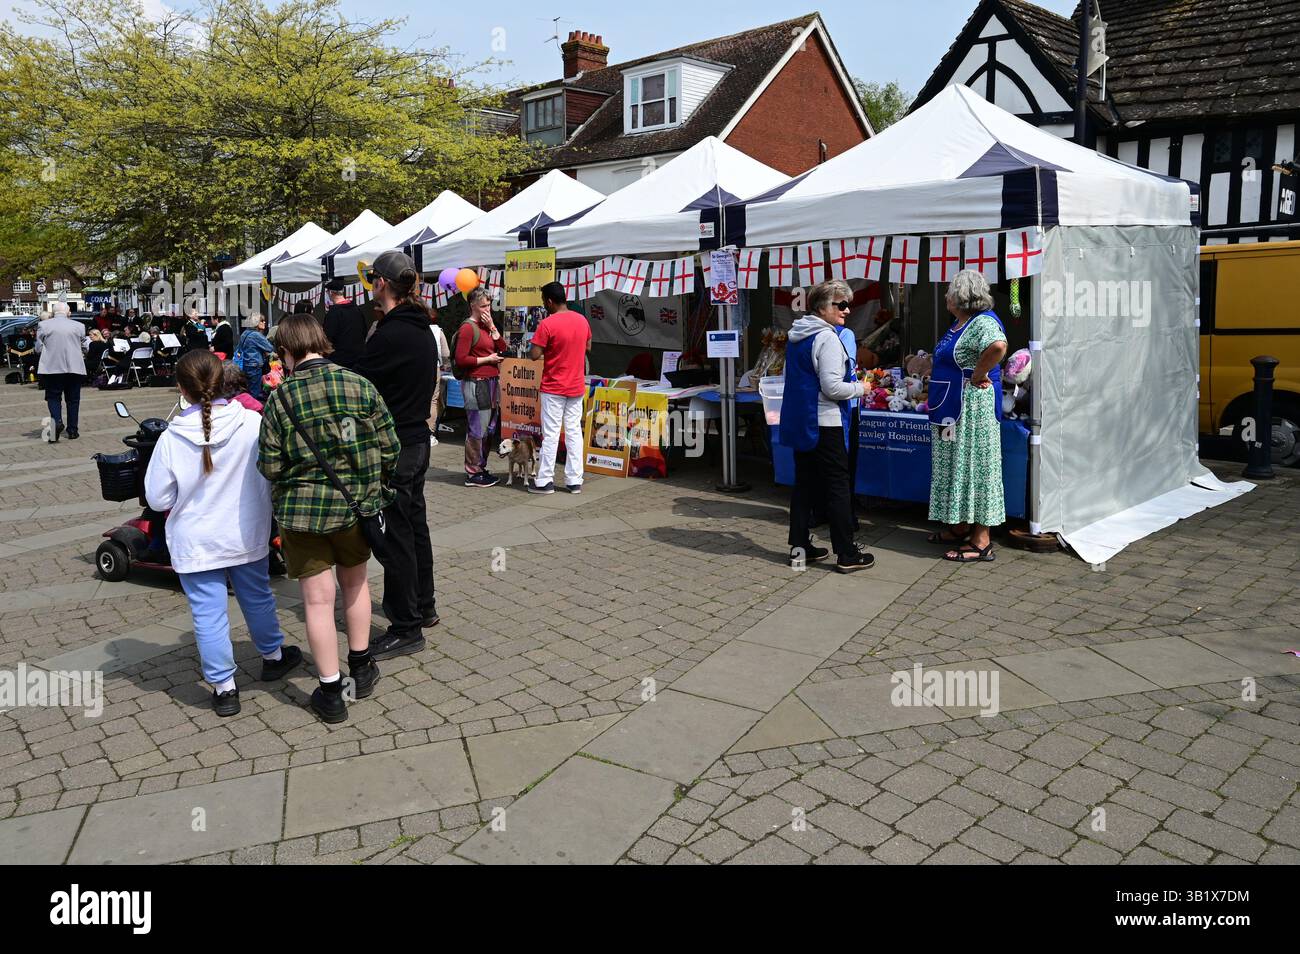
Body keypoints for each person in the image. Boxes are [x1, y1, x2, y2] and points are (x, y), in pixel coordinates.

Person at [144, 350, 297, 716]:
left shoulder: (171, 438)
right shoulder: (252, 423)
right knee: (257, 597)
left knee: (207, 613)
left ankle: (224, 688)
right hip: (245, 532)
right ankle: (272, 656)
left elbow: (157, 496)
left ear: (182, 388)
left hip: (196, 541)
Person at [259, 315, 397, 722]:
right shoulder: (360, 385)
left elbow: (268, 464)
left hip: (303, 517)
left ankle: (331, 692)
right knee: (355, 586)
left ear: (287, 350)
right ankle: (361, 665)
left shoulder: (281, 398)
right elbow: (390, 448)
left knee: (317, 602)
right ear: (321, 341)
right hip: (356, 509)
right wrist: (373, 486)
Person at [356, 250, 439, 659]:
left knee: (396, 537)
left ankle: (406, 625)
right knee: (415, 527)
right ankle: (424, 607)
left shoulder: (391, 333)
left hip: (398, 446)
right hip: (417, 440)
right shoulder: (420, 328)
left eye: (373, 279)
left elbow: (358, 384)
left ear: (382, 284)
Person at [780, 280, 875, 573]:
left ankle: (799, 548)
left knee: (804, 485)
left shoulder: (796, 337)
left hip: (802, 420)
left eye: (848, 304)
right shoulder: (827, 338)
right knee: (837, 487)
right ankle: (846, 553)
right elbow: (833, 387)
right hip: (825, 422)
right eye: (840, 304)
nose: (847, 310)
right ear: (822, 307)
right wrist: (862, 388)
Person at [928, 269, 1008, 563]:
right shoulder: (959, 323)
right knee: (956, 465)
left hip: (973, 409)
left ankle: (981, 540)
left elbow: (998, 346)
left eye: (949, 290)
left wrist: (978, 373)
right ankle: (959, 526)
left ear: (959, 297)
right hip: (950, 407)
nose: (945, 295)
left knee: (975, 465)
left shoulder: (983, 322)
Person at [528, 281, 591, 495]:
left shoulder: (547, 324)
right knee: (574, 433)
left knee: (551, 434)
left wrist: (552, 350)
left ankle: (545, 480)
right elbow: (588, 346)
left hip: (554, 386)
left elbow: (534, 354)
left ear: (549, 301)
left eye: (543, 301)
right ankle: (575, 481)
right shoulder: (582, 320)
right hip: (575, 385)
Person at [454, 286, 507, 487]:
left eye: (489, 305)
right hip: (476, 383)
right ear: (473, 306)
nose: (488, 309)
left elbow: (503, 349)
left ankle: (480, 467)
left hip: (491, 381)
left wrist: (493, 328)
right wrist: (487, 359)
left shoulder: (487, 325)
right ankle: (473, 472)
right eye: (484, 306)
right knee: (477, 428)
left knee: (489, 428)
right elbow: (461, 359)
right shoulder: (468, 328)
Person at [34, 301, 87, 442]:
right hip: (74, 367)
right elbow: (84, 345)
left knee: (53, 397)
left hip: (52, 368)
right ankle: (73, 430)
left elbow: (38, 348)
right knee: (73, 399)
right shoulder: (79, 326)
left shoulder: (44, 325)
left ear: (53, 312)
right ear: (68, 312)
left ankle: (56, 422)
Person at [322, 277, 367, 372]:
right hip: (358, 359)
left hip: (340, 362)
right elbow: (364, 331)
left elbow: (327, 338)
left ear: (330, 292)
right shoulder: (357, 309)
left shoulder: (333, 313)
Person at [234, 313, 275, 400]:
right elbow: (269, 348)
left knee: (248, 389)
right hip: (254, 366)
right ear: (256, 323)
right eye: (262, 321)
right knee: (254, 392)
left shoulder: (245, 333)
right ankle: (253, 409)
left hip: (245, 365)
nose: (264, 322)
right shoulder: (256, 335)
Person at [426, 317, 452, 446]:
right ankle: (429, 433)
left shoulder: (409, 328)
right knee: (432, 400)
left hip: (414, 366)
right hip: (433, 366)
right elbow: (446, 353)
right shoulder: (437, 330)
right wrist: (446, 365)